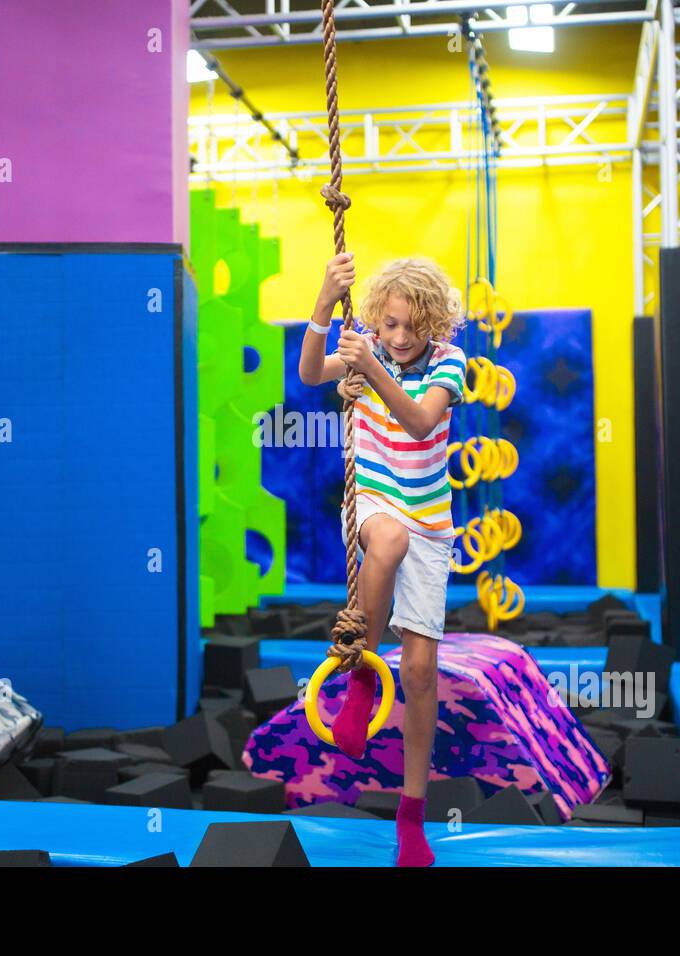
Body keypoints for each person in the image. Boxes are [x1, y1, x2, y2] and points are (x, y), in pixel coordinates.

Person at [298, 252, 467, 867]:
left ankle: (411, 815)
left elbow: (422, 423)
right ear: (378, 317)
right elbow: (311, 370)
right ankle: (363, 675)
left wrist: (372, 368)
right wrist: (324, 297)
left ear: (434, 327)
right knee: (387, 540)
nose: (398, 338)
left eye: (411, 328)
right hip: (372, 502)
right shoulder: (365, 345)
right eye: (389, 324)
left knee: (422, 672)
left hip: (431, 523)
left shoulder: (450, 362)